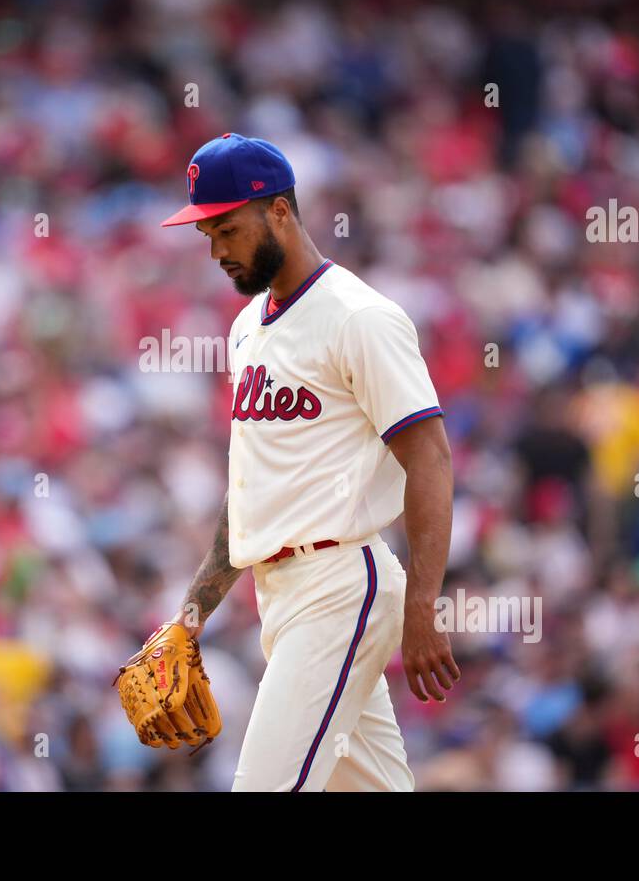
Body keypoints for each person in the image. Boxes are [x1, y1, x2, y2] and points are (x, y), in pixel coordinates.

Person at [159, 134, 459, 791]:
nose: (216, 251)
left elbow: (430, 458)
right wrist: (192, 612)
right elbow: (251, 490)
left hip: (340, 583)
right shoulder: (247, 329)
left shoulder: (359, 317)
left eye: (227, 229)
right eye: (206, 234)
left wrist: (424, 606)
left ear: (280, 213)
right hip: (284, 593)